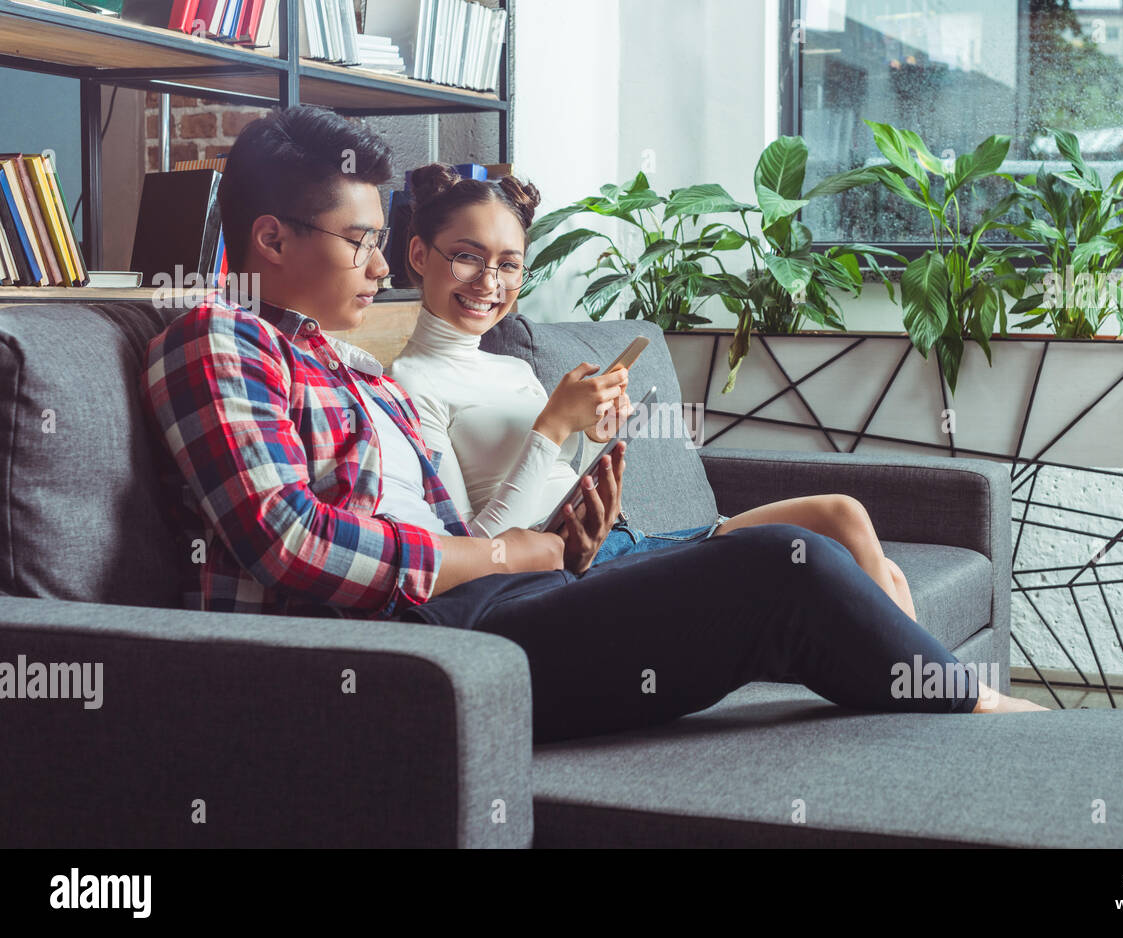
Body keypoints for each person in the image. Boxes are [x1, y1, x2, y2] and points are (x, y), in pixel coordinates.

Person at [138, 106, 1047, 747]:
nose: (381, 264)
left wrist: (552, 540)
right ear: (269, 240)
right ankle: (973, 719)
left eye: (381, 239)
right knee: (782, 567)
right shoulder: (215, 337)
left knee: (814, 547)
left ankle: (945, 731)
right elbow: (290, 540)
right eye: (361, 240)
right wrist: (512, 554)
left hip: (488, 601)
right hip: (408, 648)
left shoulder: (350, 365)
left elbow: (453, 526)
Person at [389, 162, 923, 622]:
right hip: (582, 578)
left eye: (508, 264)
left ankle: (920, 698)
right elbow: (468, 554)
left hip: (630, 542)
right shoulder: (409, 386)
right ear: (418, 254)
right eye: (467, 257)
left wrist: (590, 437)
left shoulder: (510, 368)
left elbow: (554, 483)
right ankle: (933, 700)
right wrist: (551, 427)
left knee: (855, 532)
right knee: (844, 526)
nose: (489, 282)